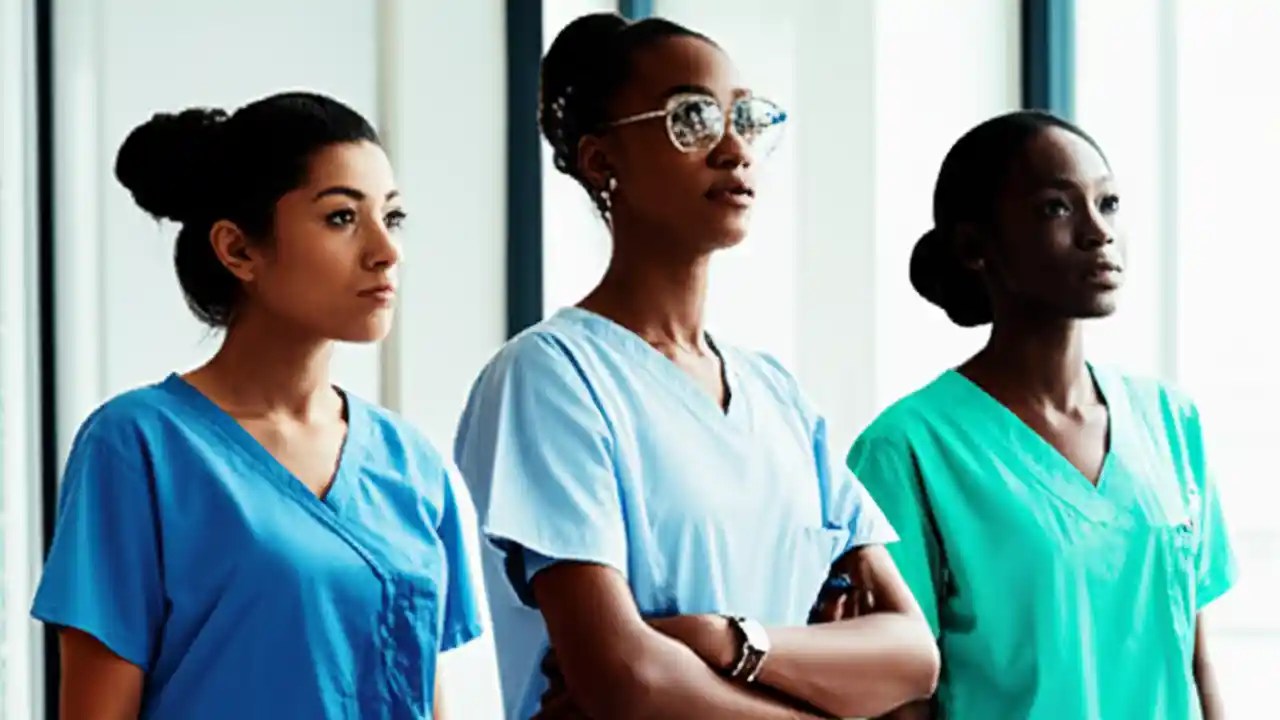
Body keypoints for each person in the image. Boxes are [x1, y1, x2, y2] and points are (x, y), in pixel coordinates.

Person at [455, 13, 939, 720]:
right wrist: (822, 685)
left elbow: (911, 659)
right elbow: (627, 683)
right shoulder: (552, 377)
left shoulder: (778, 396)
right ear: (600, 160)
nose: (734, 146)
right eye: (693, 118)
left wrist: (725, 640)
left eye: (743, 117)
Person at [31, 91, 482, 719]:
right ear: (239, 250)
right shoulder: (138, 448)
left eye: (393, 217)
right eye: (341, 218)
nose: (387, 250)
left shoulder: (411, 464)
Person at [848, 110, 1238, 719]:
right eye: (1058, 207)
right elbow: (899, 697)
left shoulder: (1170, 421)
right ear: (976, 246)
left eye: (1107, 204)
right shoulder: (907, 450)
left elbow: (1198, 660)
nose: (1097, 231)